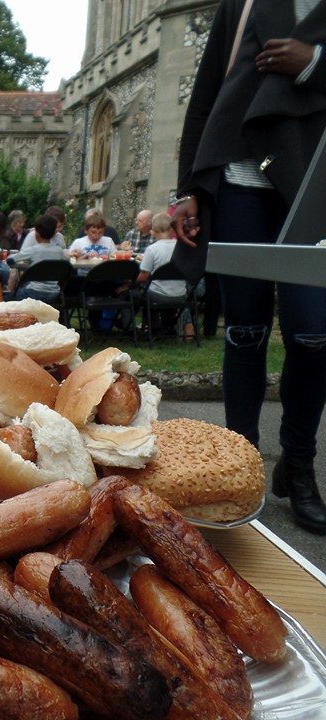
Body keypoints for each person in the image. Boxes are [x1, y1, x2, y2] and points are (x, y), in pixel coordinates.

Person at [169, 0, 326, 533]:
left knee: (313, 333)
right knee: (245, 329)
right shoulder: (244, 2)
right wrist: (189, 185)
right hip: (241, 179)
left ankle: (298, 466)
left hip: (314, 177)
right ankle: (239, 465)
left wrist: (314, 62)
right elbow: (208, 93)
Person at [135, 212, 195, 335]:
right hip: (181, 294)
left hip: (158, 295)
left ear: (153, 231)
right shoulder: (181, 247)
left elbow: (144, 276)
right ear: (171, 229)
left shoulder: (152, 249)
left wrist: (131, 283)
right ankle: (171, 326)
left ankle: (151, 327)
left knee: (139, 292)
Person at [6, 213, 69, 302]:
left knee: (11, 295)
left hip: (33, 293)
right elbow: (67, 261)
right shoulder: (59, 251)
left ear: (37, 233)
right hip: (54, 294)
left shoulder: (33, 250)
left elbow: (12, 259)